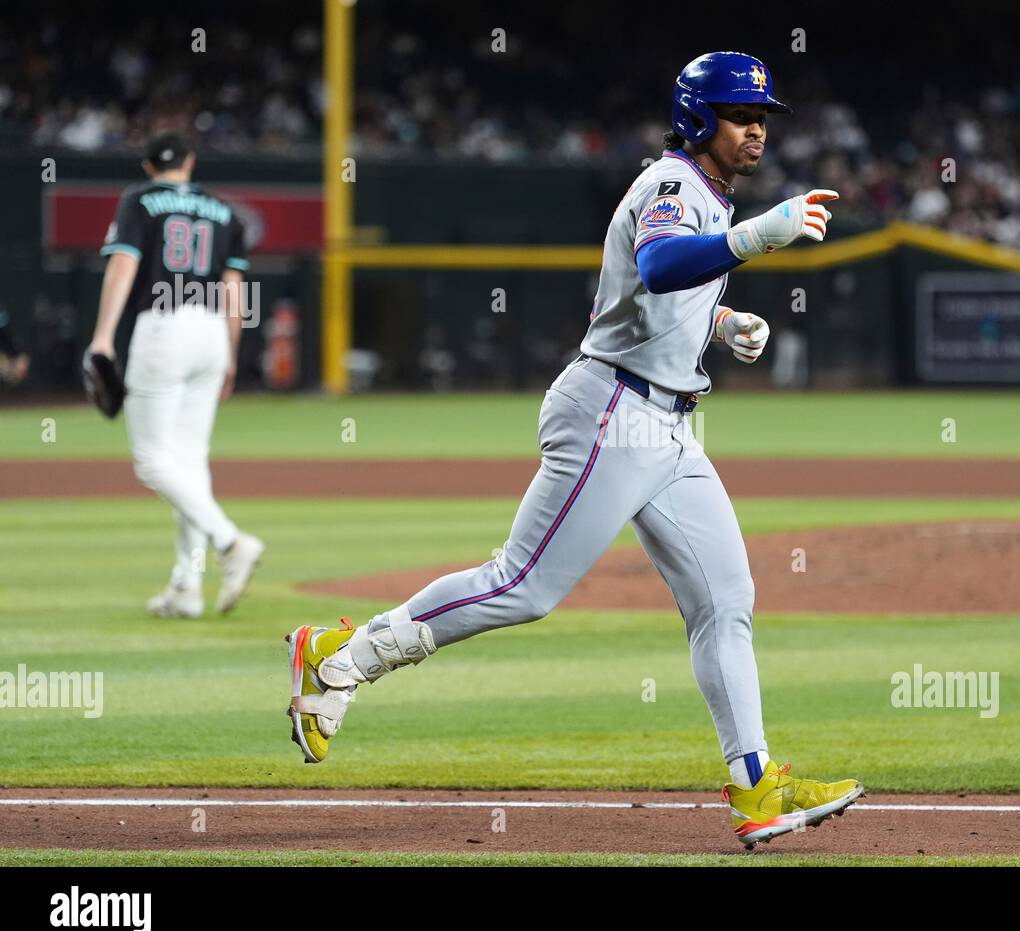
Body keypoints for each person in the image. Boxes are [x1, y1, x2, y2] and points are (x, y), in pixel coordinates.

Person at [285, 52, 862, 847]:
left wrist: (724, 326)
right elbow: (659, 267)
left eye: (763, 116)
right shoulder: (673, 186)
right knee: (522, 585)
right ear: (698, 119)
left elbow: (633, 296)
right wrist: (760, 236)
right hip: (613, 412)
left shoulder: (705, 195)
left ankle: (755, 786)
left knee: (724, 602)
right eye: (739, 115)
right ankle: (342, 656)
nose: (757, 128)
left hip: (667, 425)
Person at [88, 131, 264, 619]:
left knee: (151, 462)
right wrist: (230, 352)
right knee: (188, 461)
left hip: (163, 327)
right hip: (209, 329)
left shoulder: (139, 199)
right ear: (190, 162)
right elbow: (234, 288)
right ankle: (186, 587)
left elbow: (124, 263)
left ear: (148, 167)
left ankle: (232, 541)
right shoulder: (223, 208)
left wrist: (103, 335)